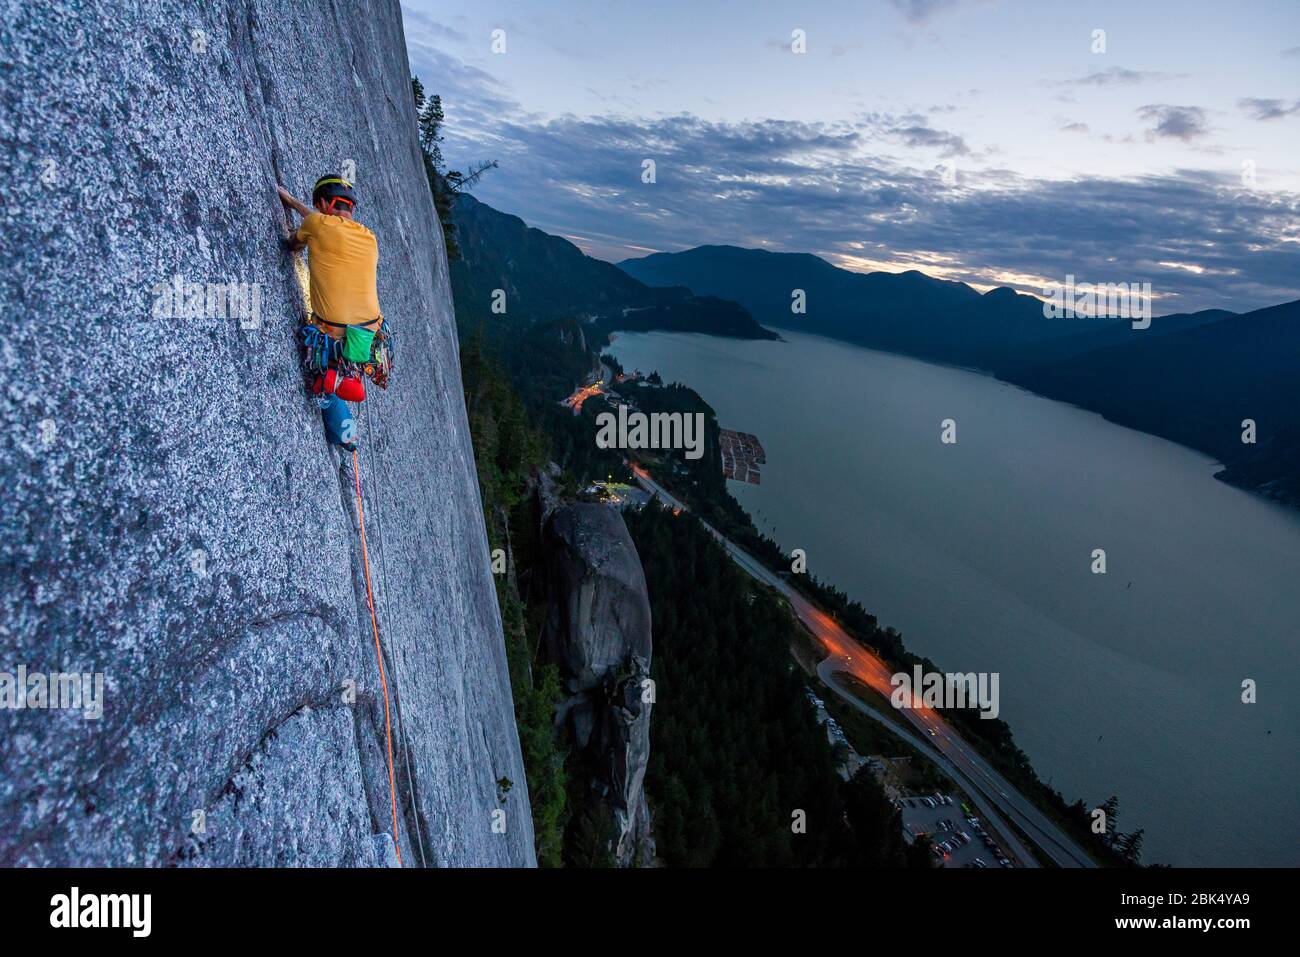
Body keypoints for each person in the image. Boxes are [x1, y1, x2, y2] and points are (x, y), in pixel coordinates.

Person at [277, 175, 393, 451]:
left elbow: (294, 242)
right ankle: (345, 383)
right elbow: (325, 225)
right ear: (349, 208)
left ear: (323, 204)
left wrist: (294, 208)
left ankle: (344, 434)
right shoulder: (369, 237)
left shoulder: (316, 224)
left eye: (318, 207)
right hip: (373, 336)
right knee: (344, 373)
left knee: (323, 384)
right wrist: (295, 203)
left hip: (332, 340)